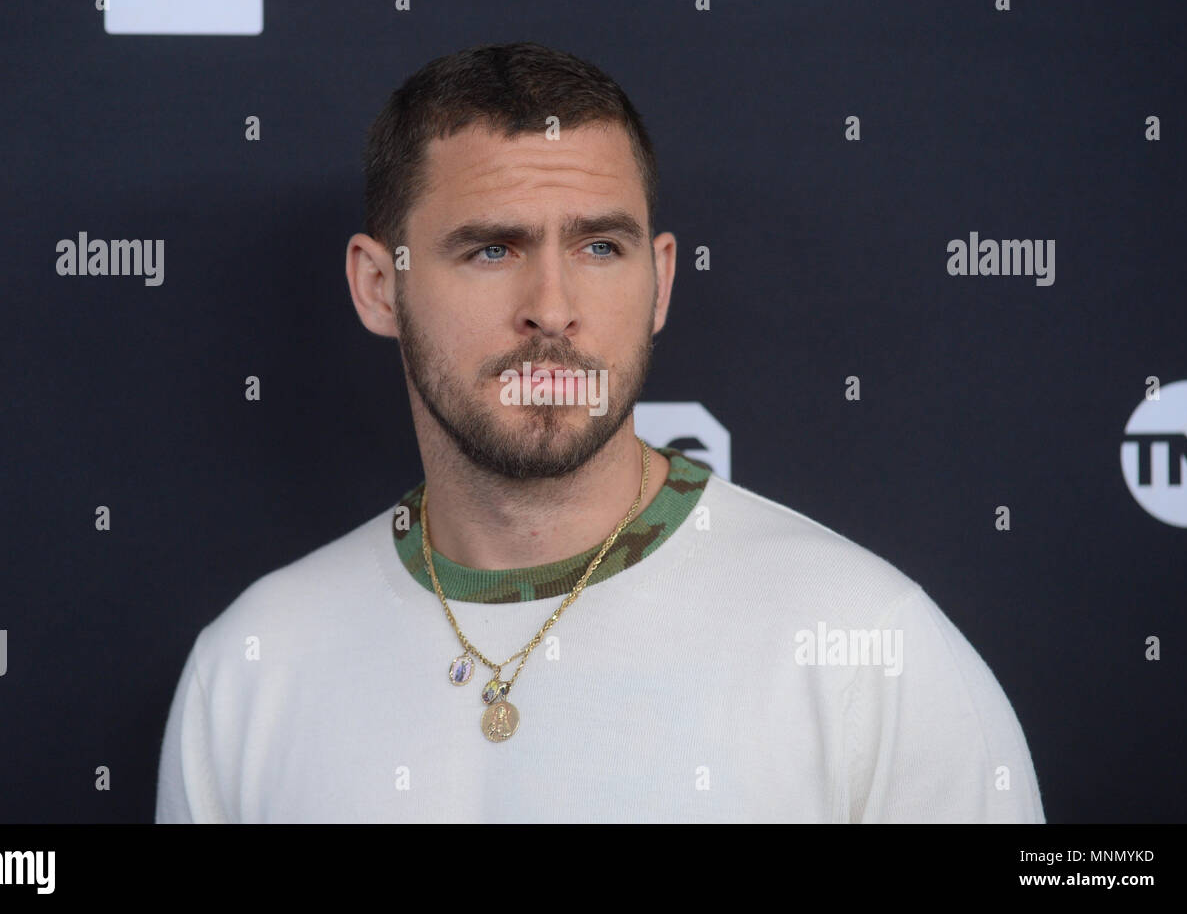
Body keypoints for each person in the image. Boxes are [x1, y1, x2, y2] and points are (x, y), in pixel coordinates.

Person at [156, 41, 1045, 823]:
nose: (553, 310)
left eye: (600, 247)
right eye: (491, 249)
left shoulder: (867, 647)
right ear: (378, 285)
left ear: (660, 281)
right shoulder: (250, 670)